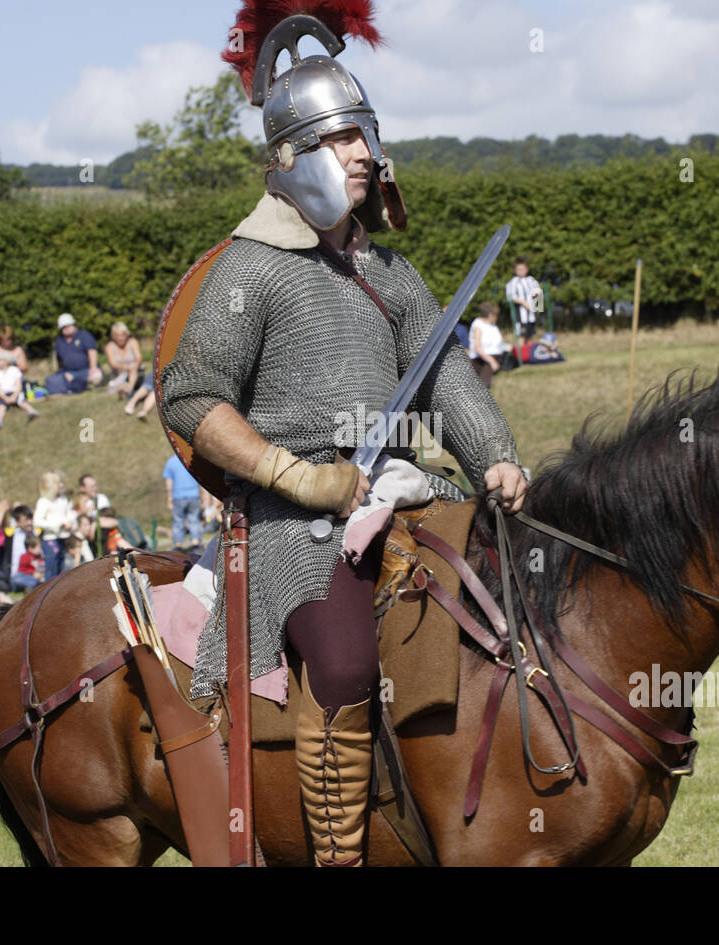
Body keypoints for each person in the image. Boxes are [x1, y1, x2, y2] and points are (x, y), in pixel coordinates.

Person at [161, 4, 526, 867]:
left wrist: (497, 456)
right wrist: (301, 478)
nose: (365, 153)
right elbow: (192, 398)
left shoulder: (385, 269)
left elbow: (440, 372)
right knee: (344, 659)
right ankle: (338, 857)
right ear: (292, 158)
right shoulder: (252, 267)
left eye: (365, 133)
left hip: (399, 488)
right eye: (342, 139)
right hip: (295, 521)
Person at [44, 314, 102, 395]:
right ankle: (77, 385)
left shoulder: (84, 335)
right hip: (70, 373)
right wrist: (63, 373)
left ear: (73, 324)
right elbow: (60, 361)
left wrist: (93, 368)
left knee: (96, 376)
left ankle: (83, 384)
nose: (66, 328)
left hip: (87, 371)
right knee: (51, 380)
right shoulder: (59, 342)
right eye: (63, 327)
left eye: (68, 325)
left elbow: (92, 352)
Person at [32, 470, 76, 579]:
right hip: (50, 539)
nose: (61, 485)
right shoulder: (43, 501)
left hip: (63, 537)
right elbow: (37, 521)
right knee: (52, 568)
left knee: (62, 567)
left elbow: (68, 512)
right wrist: (58, 524)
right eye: (58, 483)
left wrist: (70, 521)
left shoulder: (63, 499)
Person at [162, 453, 202, 549]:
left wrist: (169, 497)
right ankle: (195, 542)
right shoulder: (190, 460)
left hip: (178, 496)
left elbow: (169, 481)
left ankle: (178, 544)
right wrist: (203, 495)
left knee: (178, 520)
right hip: (194, 495)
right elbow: (199, 478)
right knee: (194, 519)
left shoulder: (171, 462)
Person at [0, 349, 40, 426]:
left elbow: (18, 385)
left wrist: (14, 396)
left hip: (16, 392)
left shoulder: (14, 370)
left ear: (6, 361)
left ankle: (32, 411)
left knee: (22, 402)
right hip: (3, 394)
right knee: (1, 406)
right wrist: (4, 397)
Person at [468, 300, 509, 388]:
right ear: (490, 314)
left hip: (496, 355)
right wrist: (491, 361)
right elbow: (478, 348)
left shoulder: (493, 325)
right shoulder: (478, 326)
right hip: (481, 358)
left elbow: (500, 341)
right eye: (496, 315)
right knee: (487, 368)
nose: (497, 318)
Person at [505, 256, 543, 348]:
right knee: (521, 335)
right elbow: (511, 296)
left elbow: (538, 294)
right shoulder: (513, 282)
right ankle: (520, 357)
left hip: (531, 315)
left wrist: (536, 306)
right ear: (515, 270)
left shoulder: (532, 280)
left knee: (530, 335)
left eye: (523, 269)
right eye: (519, 269)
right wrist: (524, 303)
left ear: (527, 269)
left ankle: (527, 355)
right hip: (520, 315)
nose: (521, 271)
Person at [104, 321, 143, 397]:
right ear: (113, 336)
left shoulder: (132, 342)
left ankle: (128, 390)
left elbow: (139, 358)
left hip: (135, 372)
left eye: (123, 335)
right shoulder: (109, 346)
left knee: (133, 369)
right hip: (119, 374)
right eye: (117, 335)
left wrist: (134, 365)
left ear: (126, 334)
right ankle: (125, 389)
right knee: (131, 369)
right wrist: (127, 367)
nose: (120, 338)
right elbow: (113, 364)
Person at [6, 504, 35, 580]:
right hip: (17, 575)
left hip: (34, 573)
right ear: (17, 522)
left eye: (30, 519)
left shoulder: (37, 534)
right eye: (26, 520)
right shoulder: (11, 537)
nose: (29, 523)